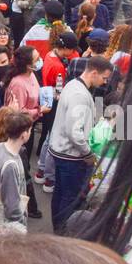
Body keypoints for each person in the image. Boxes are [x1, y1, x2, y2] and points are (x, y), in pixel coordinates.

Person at [48, 55, 112, 229]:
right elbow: (74, 131)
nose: (105, 83)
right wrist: (88, 153)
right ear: (93, 73)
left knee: (60, 193)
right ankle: (63, 232)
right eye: (104, 78)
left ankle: (58, 228)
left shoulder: (72, 85)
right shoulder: (80, 95)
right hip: (71, 155)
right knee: (70, 198)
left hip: (61, 150)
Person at [0, 109, 35, 233]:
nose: (30, 133)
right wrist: (21, 222)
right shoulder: (11, 165)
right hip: (4, 226)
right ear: (23, 134)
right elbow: (12, 209)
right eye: (29, 130)